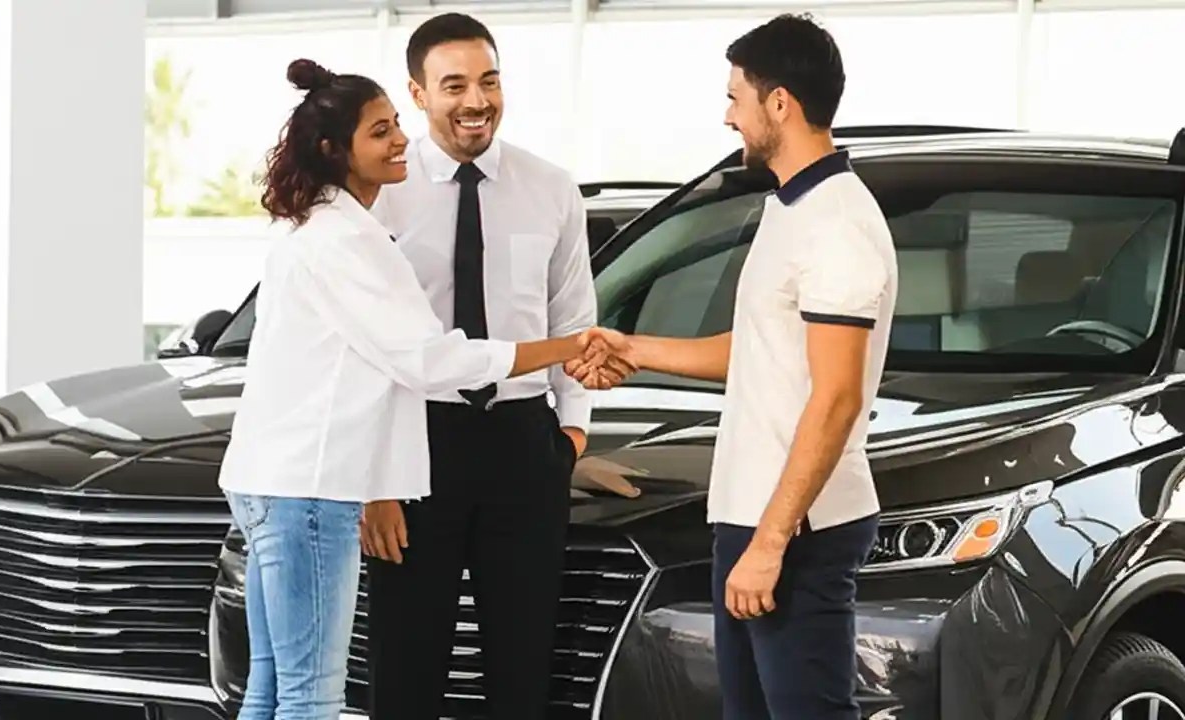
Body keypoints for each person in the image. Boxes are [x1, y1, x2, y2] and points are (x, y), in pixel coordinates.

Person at [216, 58, 602, 720]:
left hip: (275, 479)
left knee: (274, 688)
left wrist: (569, 428)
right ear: (336, 151)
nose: (400, 139)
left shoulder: (316, 225)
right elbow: (427, 362)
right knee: (310, 697)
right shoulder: (349, 241)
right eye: (380, 131)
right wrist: (568, 350)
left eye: (395, 124)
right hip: (312, 488)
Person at [570, 14, 898, 720]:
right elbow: (758, 350)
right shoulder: (791, 206)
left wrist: (773, 541)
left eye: (735, 99)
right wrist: (635, 348)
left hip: (797, 525)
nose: (728, 118)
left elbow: (837, 399)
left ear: (779, 103)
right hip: (754, 515)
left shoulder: (836, 224)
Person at [359, 12, 597, 720]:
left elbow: (572, 321)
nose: (476, 100)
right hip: (413, 443)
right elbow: (363, 345)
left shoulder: (551, 187)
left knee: (524, 671)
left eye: (489, 80)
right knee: (406, 667)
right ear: (417, 93)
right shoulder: (380, 195)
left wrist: (571, 437)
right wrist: (373, 478)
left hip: (525, 445)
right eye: (454, 84)